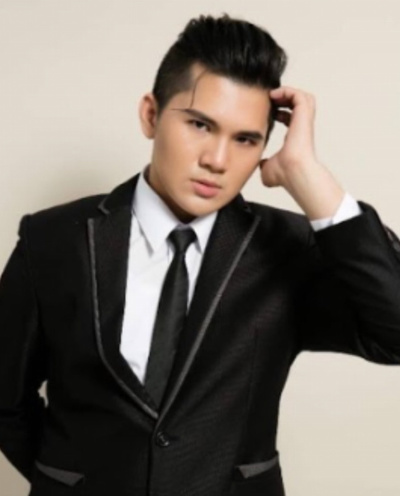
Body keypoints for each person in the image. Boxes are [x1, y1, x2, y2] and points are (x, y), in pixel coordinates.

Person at [0, 12, 399, 496]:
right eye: (199, 124)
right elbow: (6, 400)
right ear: (151, 115)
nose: (217, 160)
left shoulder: (287, 250)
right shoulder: (52, 239)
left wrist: (309, 176)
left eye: (246, 139)